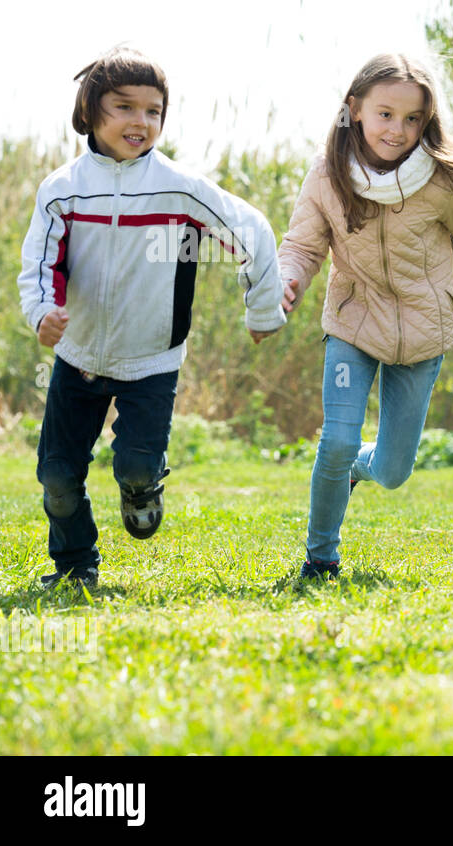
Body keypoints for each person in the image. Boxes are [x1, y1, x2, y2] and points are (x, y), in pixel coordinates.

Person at [18, 46, 286, 589]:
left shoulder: (179, 189)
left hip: (152, 360)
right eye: (124, 107)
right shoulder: (63, 190)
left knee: (136, 465)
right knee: (56, 476)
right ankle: (75, 567)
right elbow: (40, 264)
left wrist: (262, 309)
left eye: (153, 111)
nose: (140, 121)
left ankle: (141, 486)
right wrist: (42, 312)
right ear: (90, 110)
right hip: (78, 358)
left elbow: (251, 231)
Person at [278, 53, 453, 580]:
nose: (397, 130)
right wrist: (289, 277)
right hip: (352, 325)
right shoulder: (328, 174)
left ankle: (361, 469)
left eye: (412, 119)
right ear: (355, 109)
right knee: (335, 439)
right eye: (385, 114)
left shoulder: (442, 179)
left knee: (394, 469)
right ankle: (321, 557)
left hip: (422, 335)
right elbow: (302, 245)